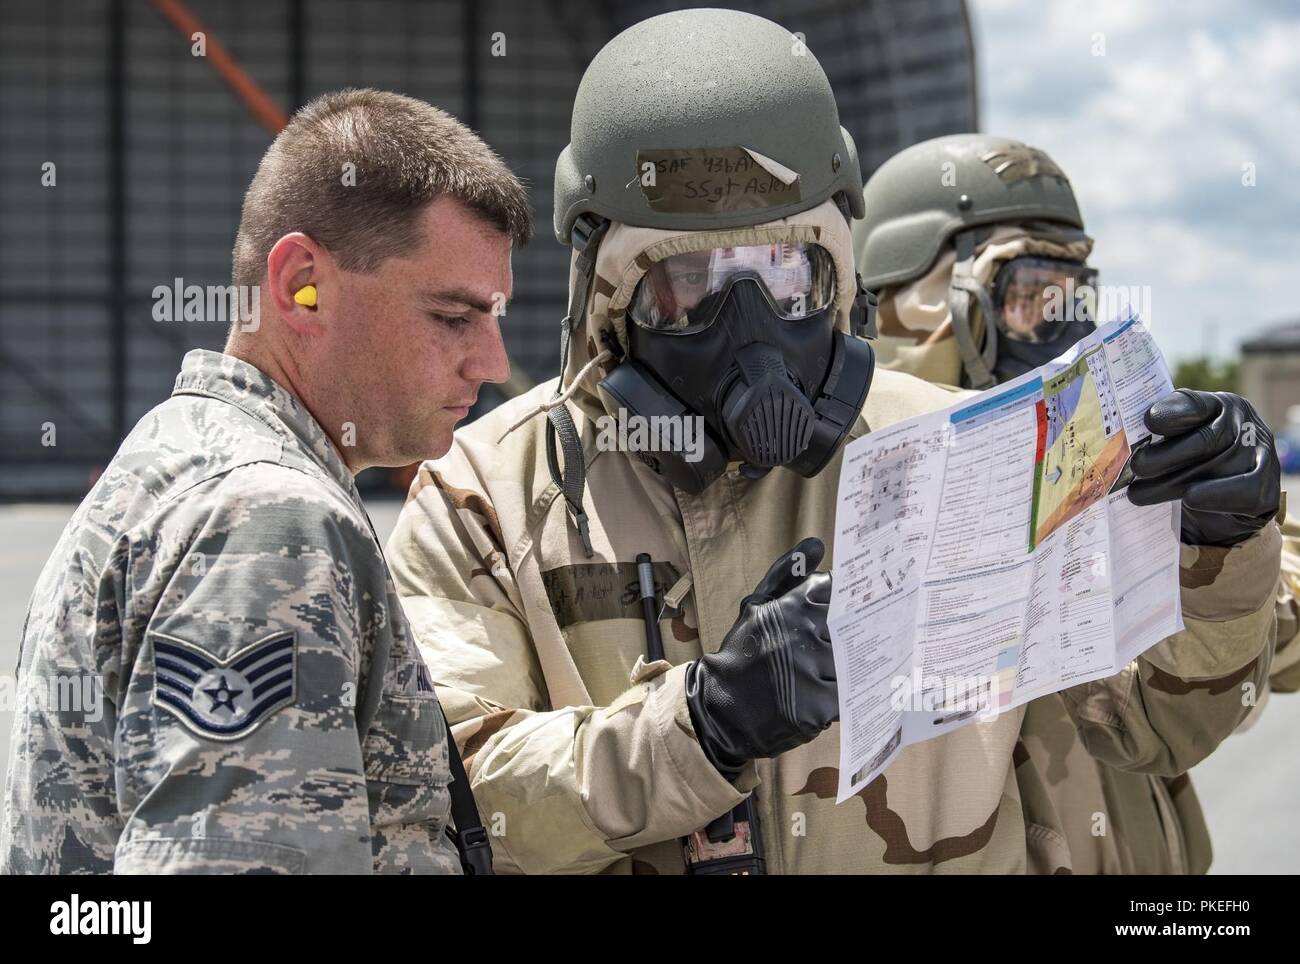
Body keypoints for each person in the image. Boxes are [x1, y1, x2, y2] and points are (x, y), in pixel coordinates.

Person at [386, 10, 1283, 874]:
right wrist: (701, 726)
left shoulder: (967, 454)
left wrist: (1220, 553)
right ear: (611, 298)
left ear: (841, 278)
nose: (750, 327)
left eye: (786, 274)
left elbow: (1154, 728)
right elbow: (445, 800)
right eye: (689, 282)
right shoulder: (487, 496)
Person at [1, 88, 531, 874]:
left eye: (495, 319)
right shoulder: (268, 516)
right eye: (454, 318)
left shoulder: (179, 458)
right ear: (300, 285)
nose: (490, 363)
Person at [852, 133, 1300, 872]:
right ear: (917, 313)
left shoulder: (1097, 495)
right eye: (1026, 296)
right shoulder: (863, 534)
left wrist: (1226, 537)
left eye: (1072, 296)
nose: (1061, 330)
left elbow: (1206, 691)